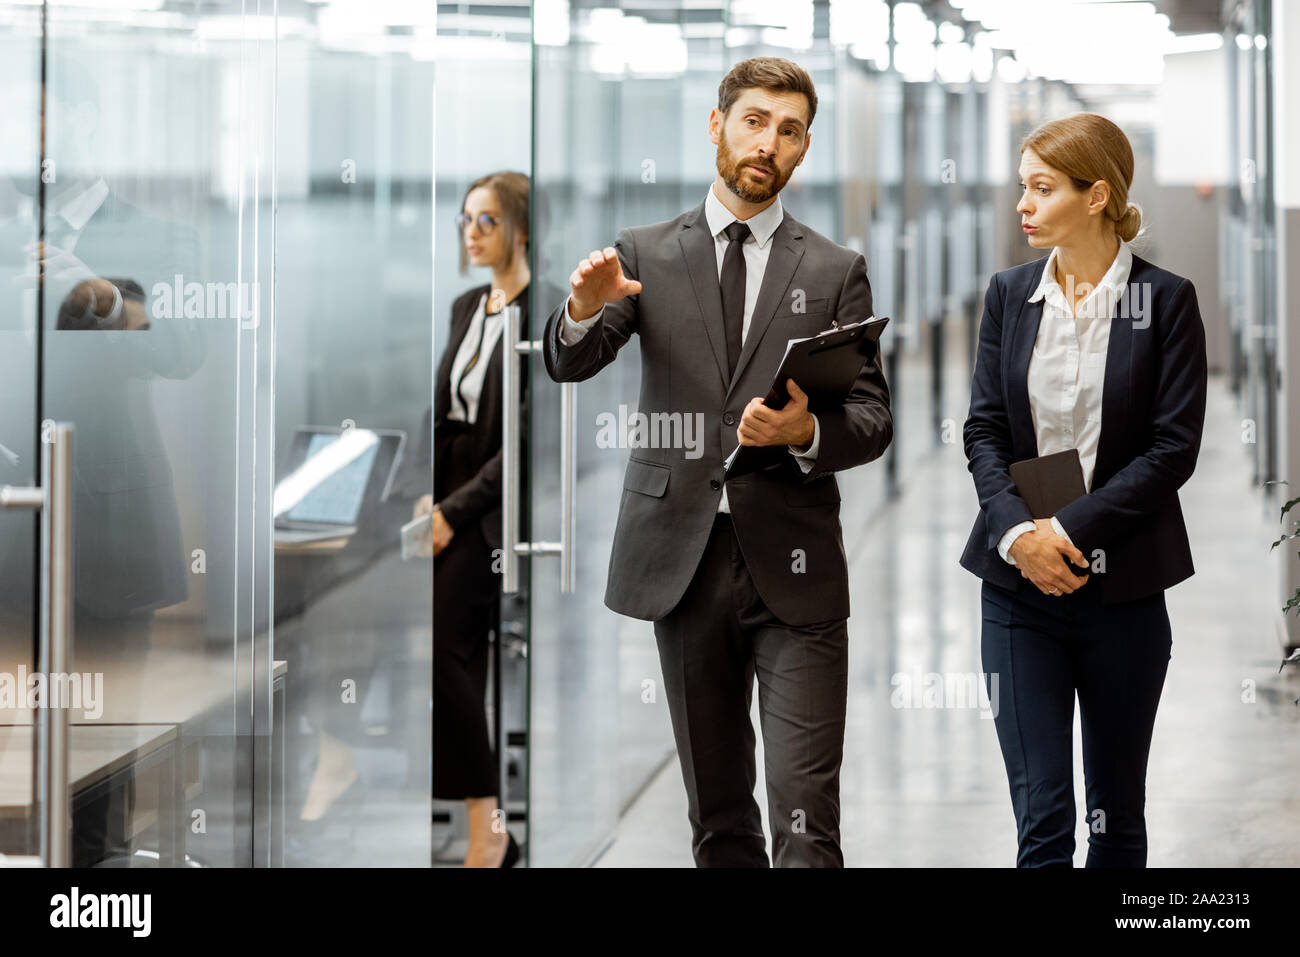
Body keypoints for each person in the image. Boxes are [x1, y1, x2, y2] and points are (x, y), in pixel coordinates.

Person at [543, 57, 892, 867]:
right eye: (755, 120)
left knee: (806, 824)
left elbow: (871, 420)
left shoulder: (836, 269)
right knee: (719, 820)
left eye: (790, 129)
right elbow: (572, 361)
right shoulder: (646, 252)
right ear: (718, 125)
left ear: (805, 148)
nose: (769, 142)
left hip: (796, 570)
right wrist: (578, 311)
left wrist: (806, 434)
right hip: (683, 561)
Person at [960, 113, 1208, 867]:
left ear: (1096, 195)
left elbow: (1173, 449)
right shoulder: (1008, 296)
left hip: (1124, 594)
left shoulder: (1164, 301)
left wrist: (1062, 533)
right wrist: (1018, 537)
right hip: (1016, 593)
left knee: (1114, 821)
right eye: (1022, 189)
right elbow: (983, 433)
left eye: (1042, 188)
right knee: (1042, 823)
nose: (1023, 205)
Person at [407, 171, 530, 867]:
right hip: (446, 499)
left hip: (486, 517)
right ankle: (482, 826)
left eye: (486, 220)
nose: (471, 233)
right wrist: (426, 496)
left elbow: (521, 443)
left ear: (519, 227)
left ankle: (489, 829)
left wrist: (453, 512)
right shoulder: (466, 307)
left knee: (443, 658)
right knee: (453, 662)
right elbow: (440, 412)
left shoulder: (536, 312)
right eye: (465, 220)